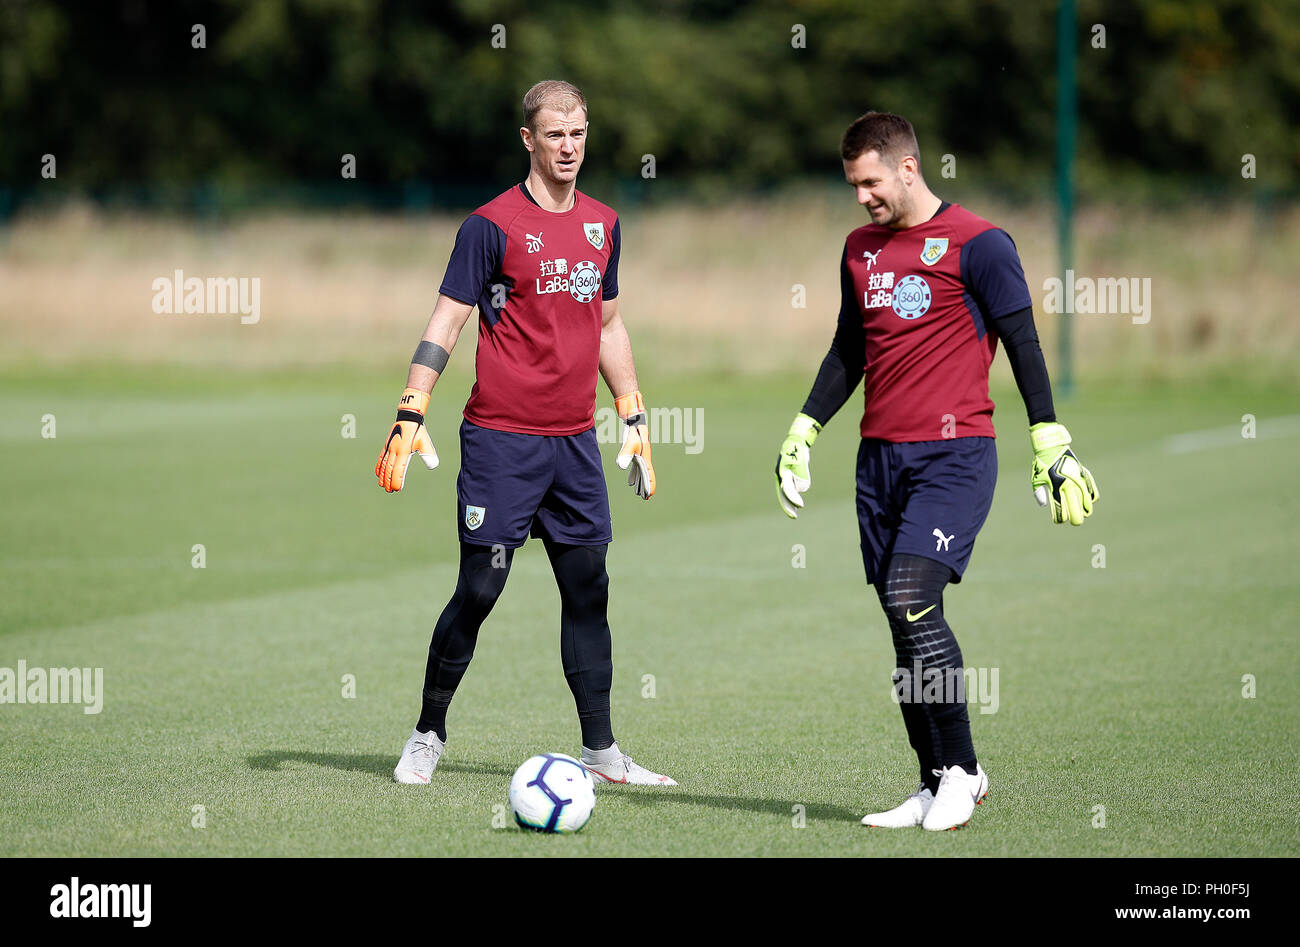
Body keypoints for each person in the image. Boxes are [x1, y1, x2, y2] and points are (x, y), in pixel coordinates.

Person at [775, 111, 1098, 830]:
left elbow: (1023, 341)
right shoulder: (859, 249)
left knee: (910, 596)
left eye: (870, 182)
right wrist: (805, 425)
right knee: (901, 625)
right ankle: (928, 781)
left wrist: (1049, 436)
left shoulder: (980, 244)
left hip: (955, 457)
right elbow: (849, 348)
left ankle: (966, 771)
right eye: (853, 184)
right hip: (878, 460)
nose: (862, 197)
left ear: (908, 168)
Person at [376, 80, 676, 788]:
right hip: (501, 442)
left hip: (573, 445)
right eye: (554, 135)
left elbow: (608, 324)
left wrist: (632, 414)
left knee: (588, 589)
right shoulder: (491, 224)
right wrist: (410, 407)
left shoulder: (604, 223)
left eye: (578, 133)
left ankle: (602, 753)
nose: (568, 147)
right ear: (528, 140)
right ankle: (427, 732)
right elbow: (448, 318)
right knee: (480, 587)